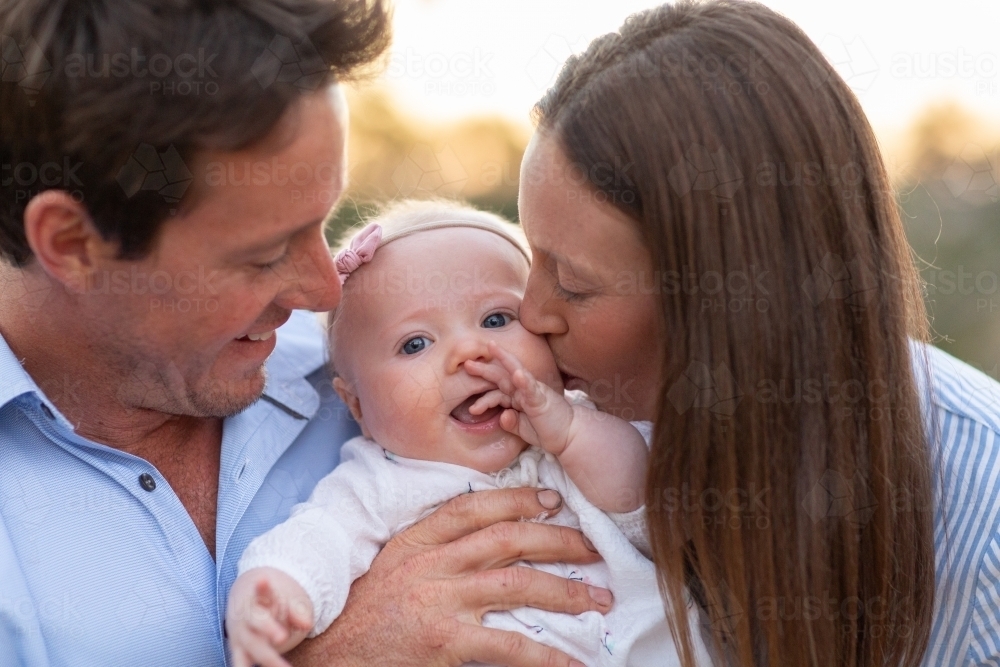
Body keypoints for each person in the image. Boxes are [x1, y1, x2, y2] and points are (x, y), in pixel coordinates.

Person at [0, 2, 610, 666]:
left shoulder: (368, 368)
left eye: (323, 223)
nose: (325, 291)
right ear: (72, 243)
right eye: (263, 255)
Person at [513, 1, 1000, 665]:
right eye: (528, 256)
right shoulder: (556, 451)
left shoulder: (984, 515)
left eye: (572, 282)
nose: (528, 311)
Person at [224, 200, 693, 667]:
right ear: (357, 406)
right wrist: (271, 596)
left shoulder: (581, 427)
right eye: (415, 344)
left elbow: (646, 502)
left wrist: (571, 432)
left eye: (496, 319)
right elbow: (318, 540)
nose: (469, 351)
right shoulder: (378, 481)